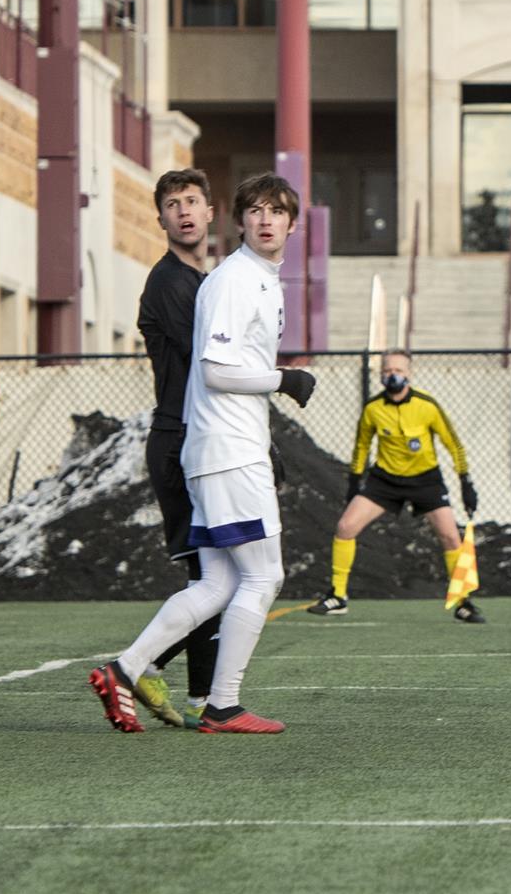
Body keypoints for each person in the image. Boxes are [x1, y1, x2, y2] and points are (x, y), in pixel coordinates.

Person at [90, 173, 317, 735]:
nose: (266, 219)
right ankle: (221, 704)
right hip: (227, 450)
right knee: (263, 577)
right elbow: (215, 371)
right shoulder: (235, 280)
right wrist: (284, 379)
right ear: (238, 221)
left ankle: (126, 670)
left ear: (293, 223)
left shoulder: (257, 280)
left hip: (219, 447)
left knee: (217, 584)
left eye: (277, 211)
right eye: (256, 210)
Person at [128, 168, 223, 727]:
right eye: (172, 204)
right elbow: (212, 365)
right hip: (182, 440)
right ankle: (143, 666)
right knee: (218, 577)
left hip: (202, 437)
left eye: (192, 201)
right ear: (161, 218)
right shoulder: (169, 283)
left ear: (210, 211)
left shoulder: (202, 281)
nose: (184, 211)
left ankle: (197, 696)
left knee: (216, 577)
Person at [307, 350, 484, 623]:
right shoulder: (373, 408)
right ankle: (338, 596)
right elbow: (361, 447)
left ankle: (463, 602)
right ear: (381, 375)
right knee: (345, 526)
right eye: (388, 370)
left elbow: (454, 444)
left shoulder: (428, 406)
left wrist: (465, 482)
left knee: (451, 537)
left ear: (409, 374)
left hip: (425, 479)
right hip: (385, 480)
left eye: (399, 370)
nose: (393, 375)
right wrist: (354, 482)